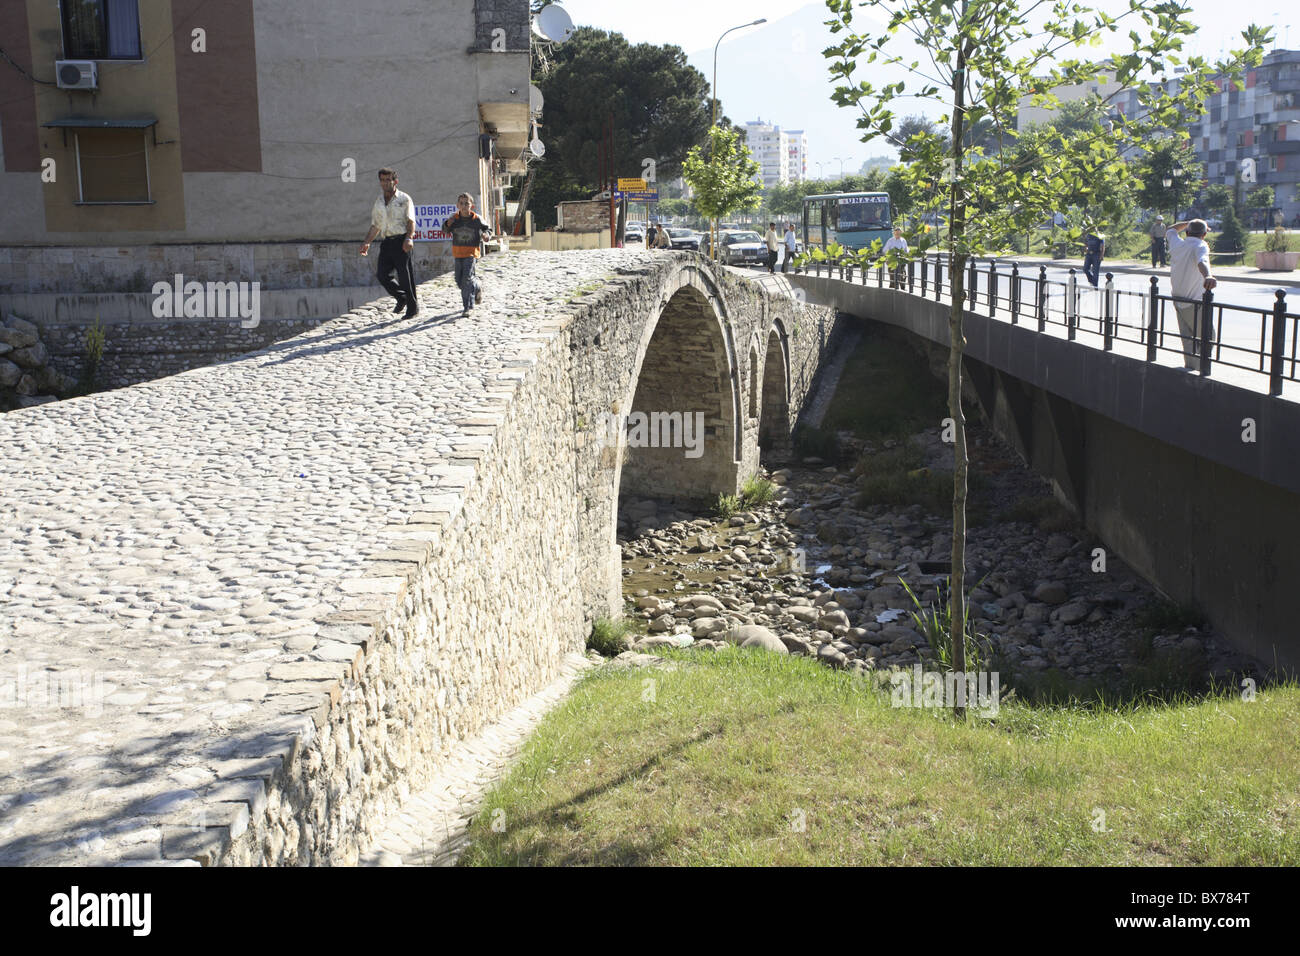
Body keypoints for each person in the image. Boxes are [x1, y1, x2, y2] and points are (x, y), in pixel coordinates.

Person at [359, 167, 418, 318]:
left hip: (401, 241)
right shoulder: (378, 202)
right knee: (382, 275)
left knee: (405, 277)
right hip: (387, 243)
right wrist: (367, 242)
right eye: (382, 180)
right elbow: (376, 225)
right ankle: (401, 298)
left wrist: (409, 238)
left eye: (388, 180)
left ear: (395, 181)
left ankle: (412, 308)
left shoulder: (404, 199)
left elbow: (411, 221)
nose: (385, 183)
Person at [1166, 219, 1218, 371]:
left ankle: (1190, 366)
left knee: (1187, 337)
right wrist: (1208, 276)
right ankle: (1203, 367)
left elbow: (1171, 229)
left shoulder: (1177, 243)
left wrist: (1189, 222)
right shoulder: (1200, 245)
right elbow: (1202, 261)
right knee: (1208, 336)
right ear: (1204, 234)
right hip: (1194, 302)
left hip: (1177, 297)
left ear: (1187, 232)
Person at [442, 193, 493, 317]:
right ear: (457, 205)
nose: (464, 206)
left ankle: (468, 307)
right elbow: (444, 230)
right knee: (459, 280)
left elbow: (488, 230)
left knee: (466, 280)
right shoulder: (454, 218)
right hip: (458, 252)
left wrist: (486, 236)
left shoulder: (477, 219)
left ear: (472, 206)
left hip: (471, 253)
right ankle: (477, 286)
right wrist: (448, 223)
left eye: (467, 203)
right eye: (462, 203)